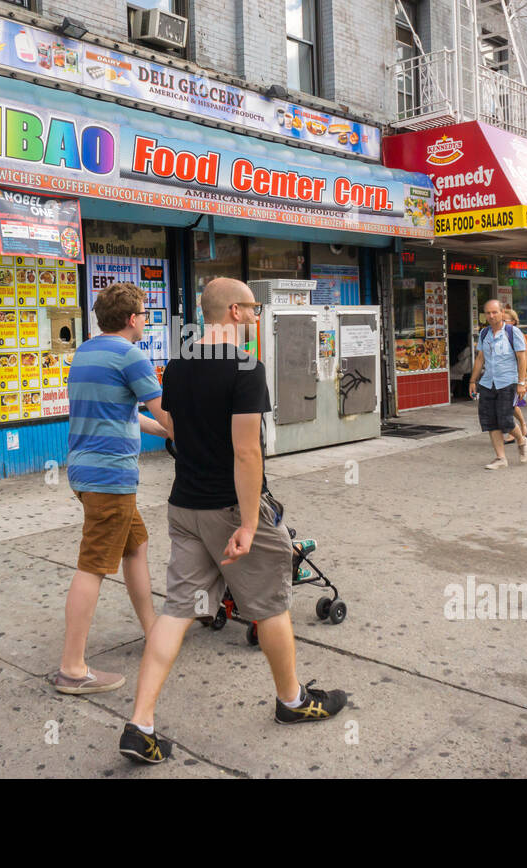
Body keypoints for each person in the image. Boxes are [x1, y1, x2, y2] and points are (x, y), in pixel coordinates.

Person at [118, 278, 347, 764]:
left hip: (184, 505)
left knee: (178, 610)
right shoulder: (246, 367)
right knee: (270, 606)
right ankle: (293, 702)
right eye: (255, 308)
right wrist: (248, 523)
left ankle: (140, 724)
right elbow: (247, 453)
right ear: (236, 313)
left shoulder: (177, 365)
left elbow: (173, 429)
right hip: (229, 507)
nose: (258, 315)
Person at [56, 282, 173, 696]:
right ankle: (72, 668)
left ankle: (153, 630)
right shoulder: (131, 355)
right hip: (110, 479)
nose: (146, 321)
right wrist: (193, 437)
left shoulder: (88, 351)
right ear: (130, 319)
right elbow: (164, 408)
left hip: (86, 472)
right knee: (93, 565)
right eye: (144, 314)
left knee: (136, 545)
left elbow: (121, 410)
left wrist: (159, 430)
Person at [469, 299, 527, 469]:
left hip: (507, 382)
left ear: (502, 313)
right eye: (488, 313)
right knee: (490, 421)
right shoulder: (484, 334)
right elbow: (480, 358)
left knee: (505, 420)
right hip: (488, 382)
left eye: (494, 312)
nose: (491, 316)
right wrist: (473, 380)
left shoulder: (512, 332)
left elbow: (521, 357)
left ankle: (521, 439)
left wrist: (521, 382)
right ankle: (500, 458)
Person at [503, 307, 527, 444]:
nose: (501, 323)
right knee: (510, 405)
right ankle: (521, 426)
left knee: (510, 405)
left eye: (504, 320)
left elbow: (524, 358)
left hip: (515, 377)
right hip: (503, 377)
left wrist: (522, 381)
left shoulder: (517, 335)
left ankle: (516, 431)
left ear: (513, 322)